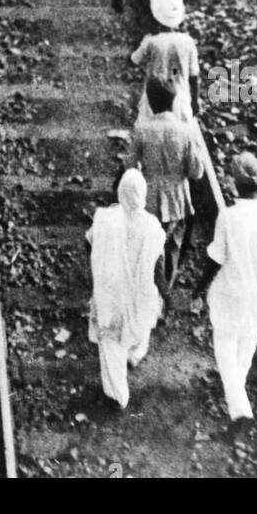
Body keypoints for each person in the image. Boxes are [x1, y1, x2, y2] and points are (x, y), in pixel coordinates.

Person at [193, 152, 257, 428]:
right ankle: (236, 395)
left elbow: (215, 259)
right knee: (245, 348)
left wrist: (199, 287)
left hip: (230, 292)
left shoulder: (229, 217)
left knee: (224, 348)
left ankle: (240, 408)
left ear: (234, 183)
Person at [86, 168, 166, 412]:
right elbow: (158, 266)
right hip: (140, 295)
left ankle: (117, 395)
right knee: (139, 326)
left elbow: (88, 241)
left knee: (110, 342)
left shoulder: (104, 218)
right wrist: (166, 296)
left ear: (120, 191)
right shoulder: (153, 226)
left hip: (111, 294)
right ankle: (135, 354)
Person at [127, 79, 204, 285]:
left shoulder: (142, 129)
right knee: (171, 250)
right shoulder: (186, 131)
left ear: (151, 102)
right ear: (173, 101)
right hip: (177, 200)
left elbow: (130, 167)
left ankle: (145, 293)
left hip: (148, 199)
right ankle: (163, 301)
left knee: (146, 249)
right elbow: (197, 172)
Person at [131, 0, 200, 122]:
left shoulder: (151, 41)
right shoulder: (187, 41)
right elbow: (194, 75)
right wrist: (195, 100)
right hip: (181, 97)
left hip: (155, 100)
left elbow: (135, 59)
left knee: (152, 132)